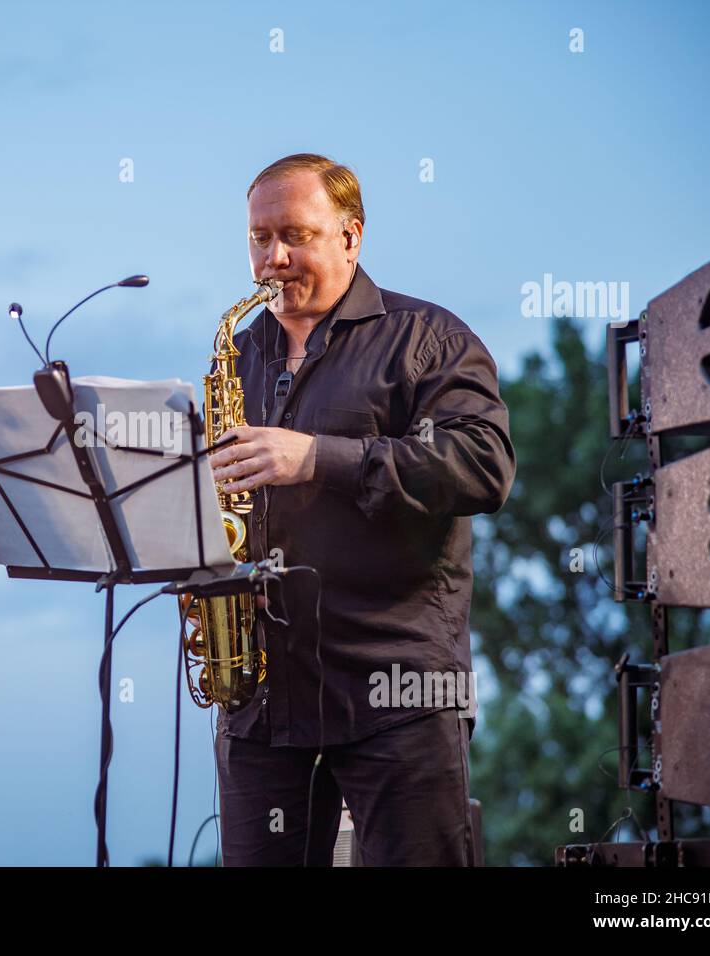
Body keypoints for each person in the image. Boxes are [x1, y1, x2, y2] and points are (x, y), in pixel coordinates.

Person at [207, 154, 516, 866]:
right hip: (262, 697)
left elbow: (484, 466)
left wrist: (318, 457)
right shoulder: (241, 352)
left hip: (395, 693)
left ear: (351, 237)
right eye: (259, 238)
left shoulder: (428, 339)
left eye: (296, 236)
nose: (273, 259)